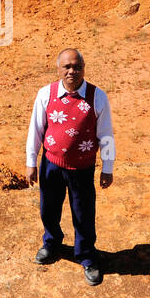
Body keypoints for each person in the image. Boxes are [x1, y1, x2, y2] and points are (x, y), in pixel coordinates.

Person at [25, 48, 114, 285]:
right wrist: (31, 162)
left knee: (83, 213)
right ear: (59, 69)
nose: (72, 71)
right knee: (48, 208)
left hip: (82, 169)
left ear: (84, 68)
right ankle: (52, 244)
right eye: (67, 67)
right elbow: (36, 129)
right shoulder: (46, 94)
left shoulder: (97, 97)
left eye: (77, 66)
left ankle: (86, 255)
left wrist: (108, 167)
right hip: (51, 165)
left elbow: (106, 134)